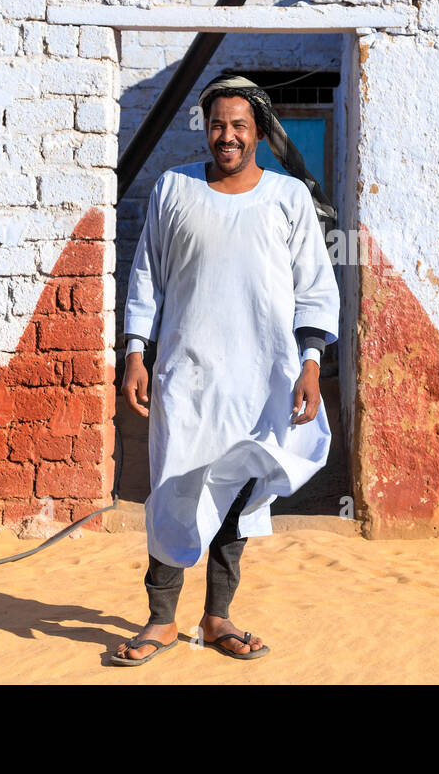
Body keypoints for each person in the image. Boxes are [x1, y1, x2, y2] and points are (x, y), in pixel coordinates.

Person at [111, 74, 340, 666]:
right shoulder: (173, 189)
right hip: (185, 378)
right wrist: (137, 351)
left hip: (260, 380)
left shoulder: (288, 197)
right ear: (205, 128)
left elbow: (316, 288)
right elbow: (146, 278)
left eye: (240, 125)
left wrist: (311, 364)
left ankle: (217, 618)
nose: (227, 136)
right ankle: (162, 619)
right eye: (217, 124)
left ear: (258, 131)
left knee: (235, 495)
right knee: (172, 490)